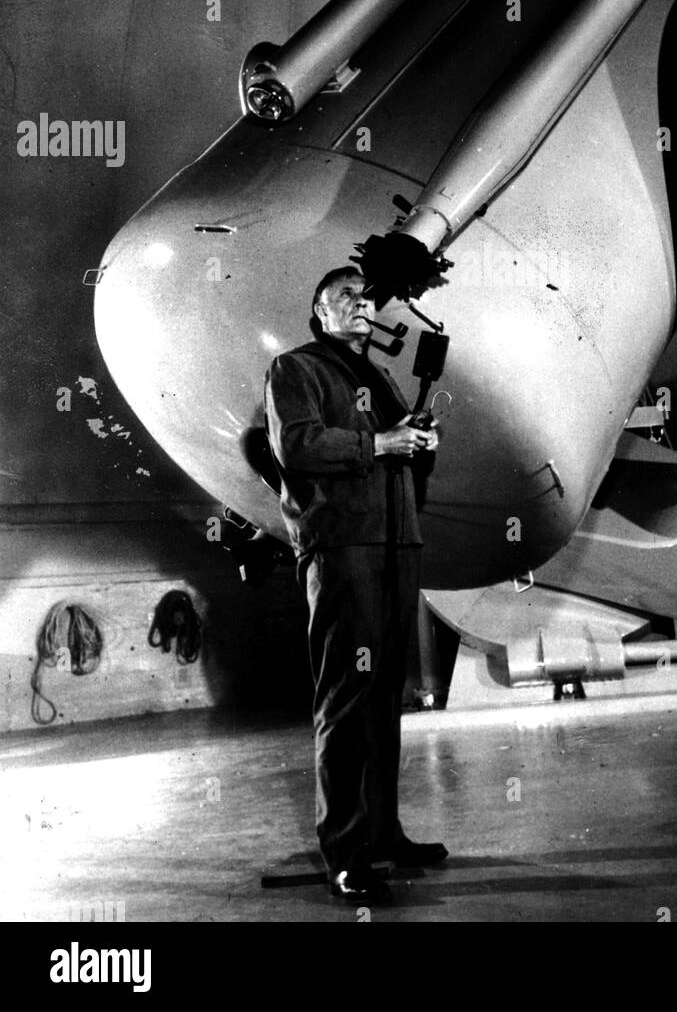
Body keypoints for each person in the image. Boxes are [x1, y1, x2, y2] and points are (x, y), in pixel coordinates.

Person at [263, 265, 447, 904]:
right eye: (345, 295)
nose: (360, 304)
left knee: (384, 694)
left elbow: (396, 453)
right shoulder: (296, 370)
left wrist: (419, 440)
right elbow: (299, 446)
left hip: (398, 543)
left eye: (366, 298)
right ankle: (346, 852)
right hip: (343, 546)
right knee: (347, 695)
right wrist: (384, 440)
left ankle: (383, 833)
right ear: (319, 311)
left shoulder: (382, 379)